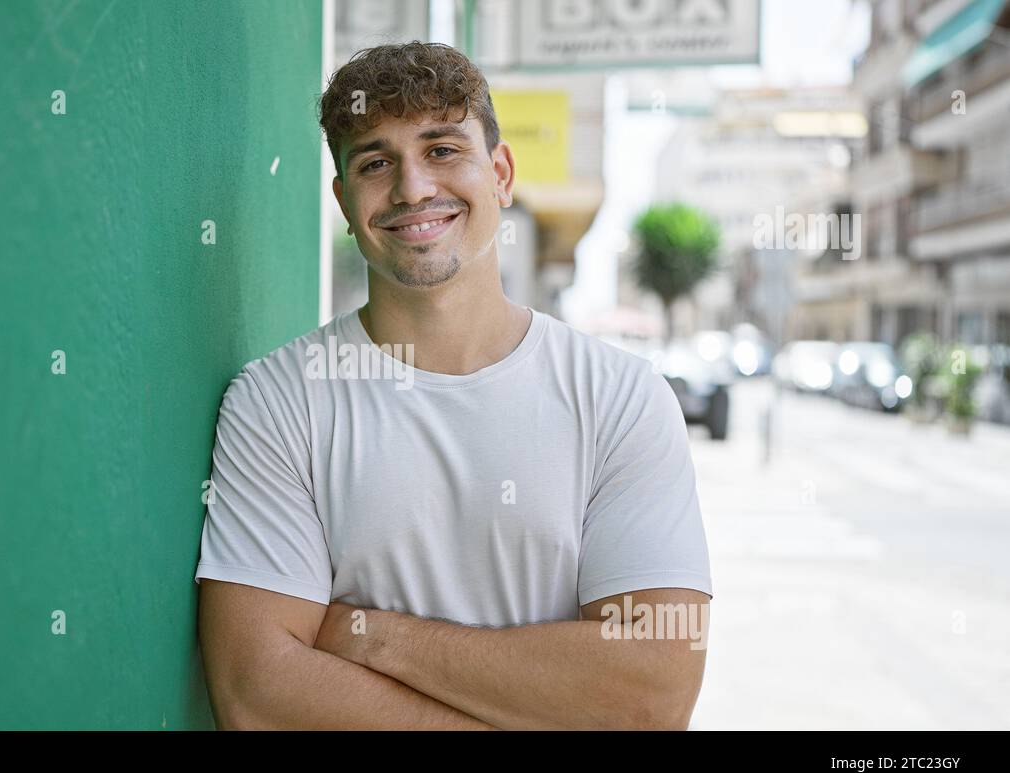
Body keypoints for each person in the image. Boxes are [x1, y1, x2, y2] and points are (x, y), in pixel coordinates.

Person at [193, 41, 712, 730]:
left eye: (442, 149)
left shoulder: (620, 397)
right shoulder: (277, 401)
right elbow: (258, 693)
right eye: (375, 163)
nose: (412, 188)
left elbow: (652, 694)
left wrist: (368, 634)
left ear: (499, 172)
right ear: (345, 202)